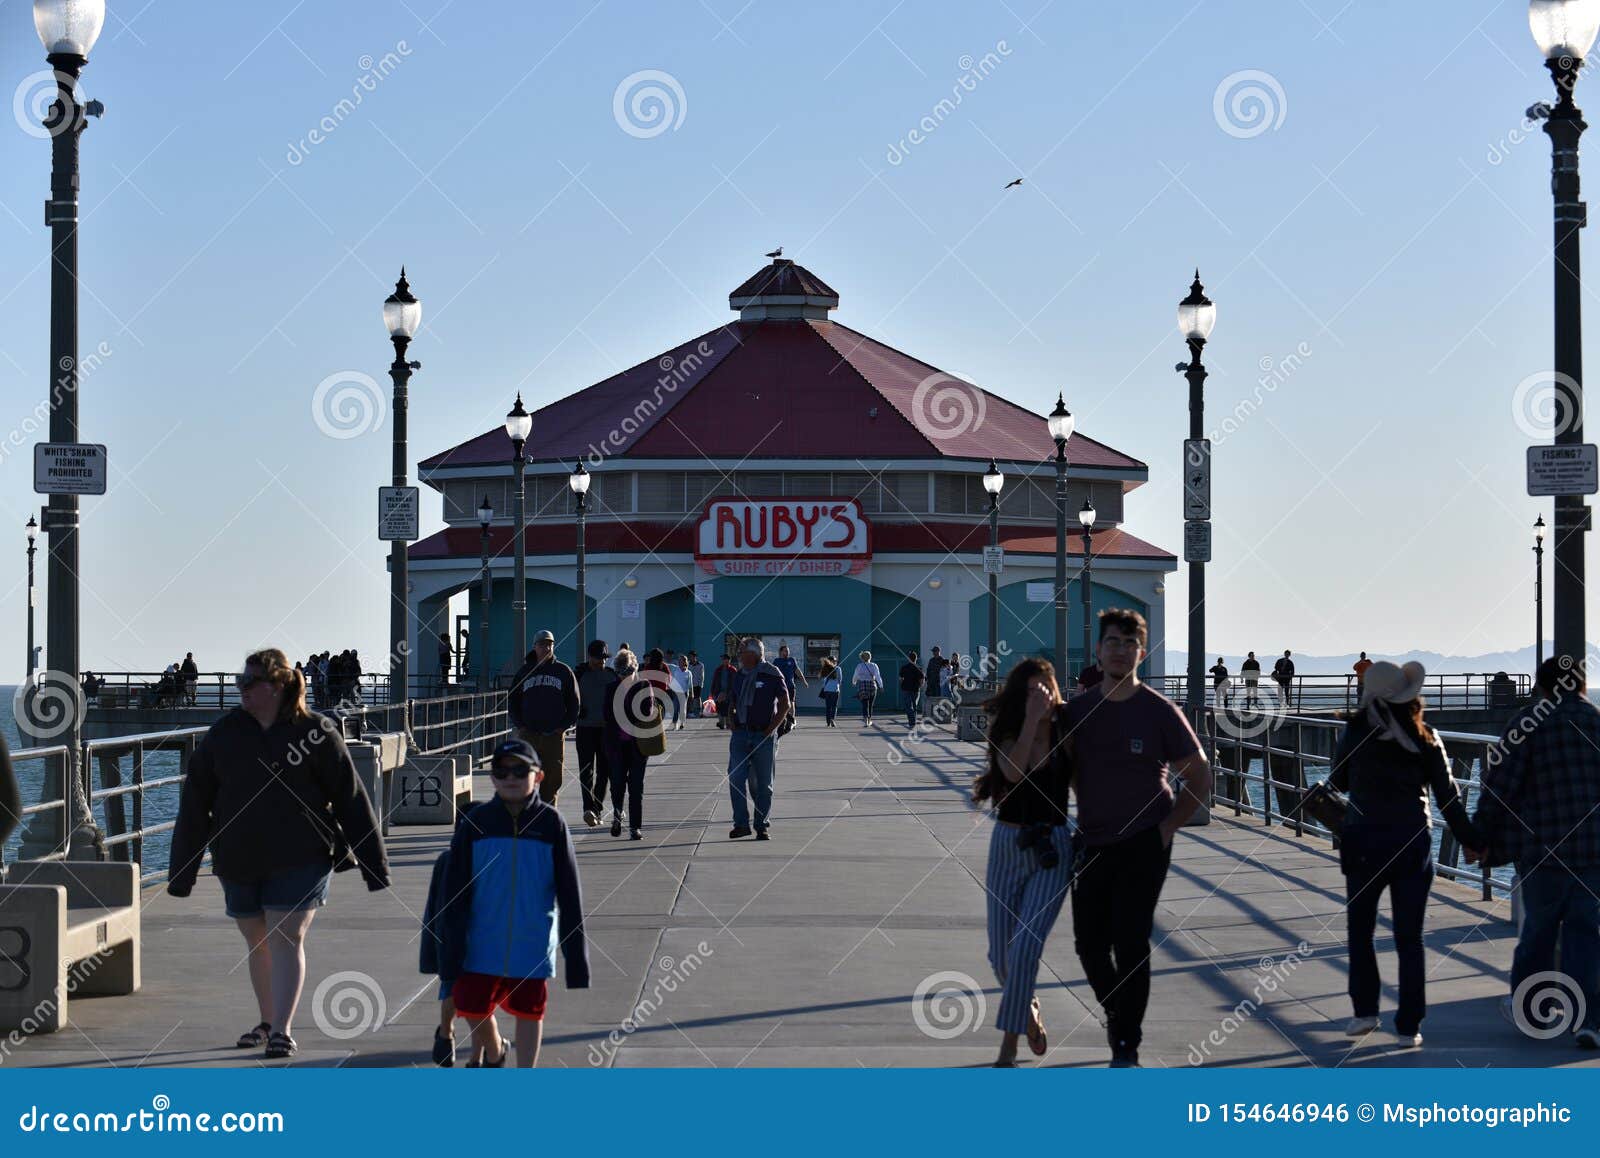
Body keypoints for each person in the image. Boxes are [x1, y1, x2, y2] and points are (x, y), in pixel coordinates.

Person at [167, 648, 390, 1060]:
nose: (242, 688)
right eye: (240, 680)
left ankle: (282, 1030)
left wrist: (373, 866)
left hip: (302, 855)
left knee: (286, 934)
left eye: (250, 682)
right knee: (259, 940)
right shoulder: (225, 735)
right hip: (238, 857)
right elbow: (195, 806)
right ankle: (267, 1021)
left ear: (278, 686)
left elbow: (351, 800)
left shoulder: (317, 732)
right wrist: (182, 873)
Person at [1061, 609, 1212, 1068]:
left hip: (1145, 842)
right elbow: (1058, 768)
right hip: (1091, 842)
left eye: (1130, 644)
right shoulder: (1078, 712)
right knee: (1089, 945)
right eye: (1113, 642)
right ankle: (1118, 1014)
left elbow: (1199, 774)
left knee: (1130, 942)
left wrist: (1167, 828)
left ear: (1141, 653)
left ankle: (1126, 1044)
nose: (1120, 650)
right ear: (1098, 649)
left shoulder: (1159, 712)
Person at [1328, 659, 1483, 1049]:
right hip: (1411, 843)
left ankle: (1365, 1012)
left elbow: (1338, 780)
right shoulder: (1425, 736)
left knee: (1360, 931)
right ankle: (1408, 1026)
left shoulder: (1355, 732)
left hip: (1364, 843)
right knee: (1409, 938)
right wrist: (1471, 840)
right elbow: (1448, 797)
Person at [1473, 655, 1600, 1050]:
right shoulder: (1596, 720)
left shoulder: (1527, 724)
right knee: (1586, 934)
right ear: (1580, 684)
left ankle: (1533, 1013)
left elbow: (1500, 787)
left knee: (1539, 932)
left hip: (1544, 848)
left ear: (1542, 686)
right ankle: (1590, 1021)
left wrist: (1479, 834)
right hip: (1593, 849)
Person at [439, 739, 590, 1068]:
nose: (510, 777)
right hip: (481, 939)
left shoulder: (551, 824)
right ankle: (495, 1051)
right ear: (492, 777)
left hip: (532, 940)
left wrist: (576, 958)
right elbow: (454, 891)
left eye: (520, 770)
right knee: (469, 1003)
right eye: (502, 771)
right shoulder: (476, 823)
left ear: (539, 776)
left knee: (529, 1010)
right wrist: (450, 946)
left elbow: (569, 892)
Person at [975, 658, 1073, 1067]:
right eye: (1033, 691)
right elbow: (1013, 773)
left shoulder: (1069, 730)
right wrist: (1032, 721)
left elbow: (1089, 780)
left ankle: (1009, 1047)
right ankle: (1027, 1006)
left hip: (1053, 846)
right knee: (1001, 957)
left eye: (1047, 688)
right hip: (1009, 843)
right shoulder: (1008, 730)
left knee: (1027, 948)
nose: (1042, 697)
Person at [506, 629, 579, 805]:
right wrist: (521, 726)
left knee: (552, 780)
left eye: (549, 644)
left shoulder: (563, 671)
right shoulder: (524, 672)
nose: (546, 648)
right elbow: (513, 701)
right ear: (535, 647)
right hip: (529, 734)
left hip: (553, 735)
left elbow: (574, 702)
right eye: (542, 644)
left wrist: (562, 727)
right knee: (525, 777)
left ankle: (548, 813)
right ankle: (527, 814)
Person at [727, 638, 790, 841]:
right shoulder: (739, 675)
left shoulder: (772, 673)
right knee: (736, 778)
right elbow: (733, 699)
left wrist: (771, 729)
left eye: (742, 651)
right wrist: (730, 719)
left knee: (763, 785)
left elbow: (785, 704)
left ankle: (761, 825)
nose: (739, 655)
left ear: (754, 654)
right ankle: (741, 824)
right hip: (740, 734)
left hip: (763, 736)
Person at [604, 648, 658, 840]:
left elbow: (647, 711)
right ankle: (617, 816)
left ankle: (635, 827)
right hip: (616, 745)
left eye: (627, 674)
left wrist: (625, 717)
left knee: (636, 787)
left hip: (638, 746)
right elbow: (607, 715)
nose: (623, 678)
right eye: (620, 674)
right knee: (617, 784)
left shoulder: (644, 685)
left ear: (634, 670)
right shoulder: (611, 688)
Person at [574, 639, 618, 828]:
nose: (602, 661)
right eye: (598, 658)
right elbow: (568, 697)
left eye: (604, 658)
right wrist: (577, 710)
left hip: (606, 730)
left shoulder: (612, 675)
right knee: (586, 771)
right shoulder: (579, 674)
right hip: (585, 729)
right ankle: (588, 808)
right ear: (589, 657)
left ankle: (597, 809)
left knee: (604, 772)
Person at [773, 644, 807, 728]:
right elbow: (773, 673)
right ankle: (781, 722)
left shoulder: (792, 660)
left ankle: (792, 722)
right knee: (780, 704)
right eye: (785, 651)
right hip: (780, 686)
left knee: (791, 704)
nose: (787, 652)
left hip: (790, 686)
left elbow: (797, 671)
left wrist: (804, 681)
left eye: (788, 651)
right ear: (781, 652)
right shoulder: (776, 661)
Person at [852, 650, 882, 724]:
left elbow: (855, 675)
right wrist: (881, 686)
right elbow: (877, 676)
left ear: (862, 658)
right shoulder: (874, 665)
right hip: (872, 685)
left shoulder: (859, 666)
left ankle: (865, 718)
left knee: (865, 703)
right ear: (870, 657)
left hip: (863, 685)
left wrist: (854, 682)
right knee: (871, 704)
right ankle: (869, 719)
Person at [899, 650, 926, 728]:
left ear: (909, 658)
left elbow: (901, 679)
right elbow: (922, 680)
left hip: (906, 689)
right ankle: (913, 721)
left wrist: (902, 685)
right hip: (916, 689)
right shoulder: (919, 668)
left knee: (908, 706)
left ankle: (912, 722)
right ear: (916, 658)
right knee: (914, 706)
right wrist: (920, 686)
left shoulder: (904, 668)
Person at [710, 654, 737, 729]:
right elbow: (714, 681)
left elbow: (735, 683)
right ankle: (721, 722)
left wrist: (731, 693)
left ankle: (728, 723)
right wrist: (712, 691)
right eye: (723, 659)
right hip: (718, 692)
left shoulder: (733, 670)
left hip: (729, 692)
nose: (724, 661)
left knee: (728, 707)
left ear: (729, 660)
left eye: (725, 659)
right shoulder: (718, 670)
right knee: (719, 707)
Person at [819, 655, 842, 726]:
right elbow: (840, 679)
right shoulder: (838, 668)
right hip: (835, 689)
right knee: (834, 706)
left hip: (827, 690)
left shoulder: (825, 669)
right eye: (835, 661)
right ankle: (832, 719)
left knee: (828, 706)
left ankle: (828, 722)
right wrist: (837, 685)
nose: (836, 662)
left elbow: (823, 679)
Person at [688, 651, 706, 717]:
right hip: (690, 685)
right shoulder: (687, 664)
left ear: (695, 657)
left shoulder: (701, 665)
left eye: (692, 656)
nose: (690, 658)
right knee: (690, 698)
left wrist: (701, 685)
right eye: (690, 656)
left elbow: (702, 676)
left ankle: (699, 712)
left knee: (697, 698)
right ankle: (691, 711)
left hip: (697, 685)